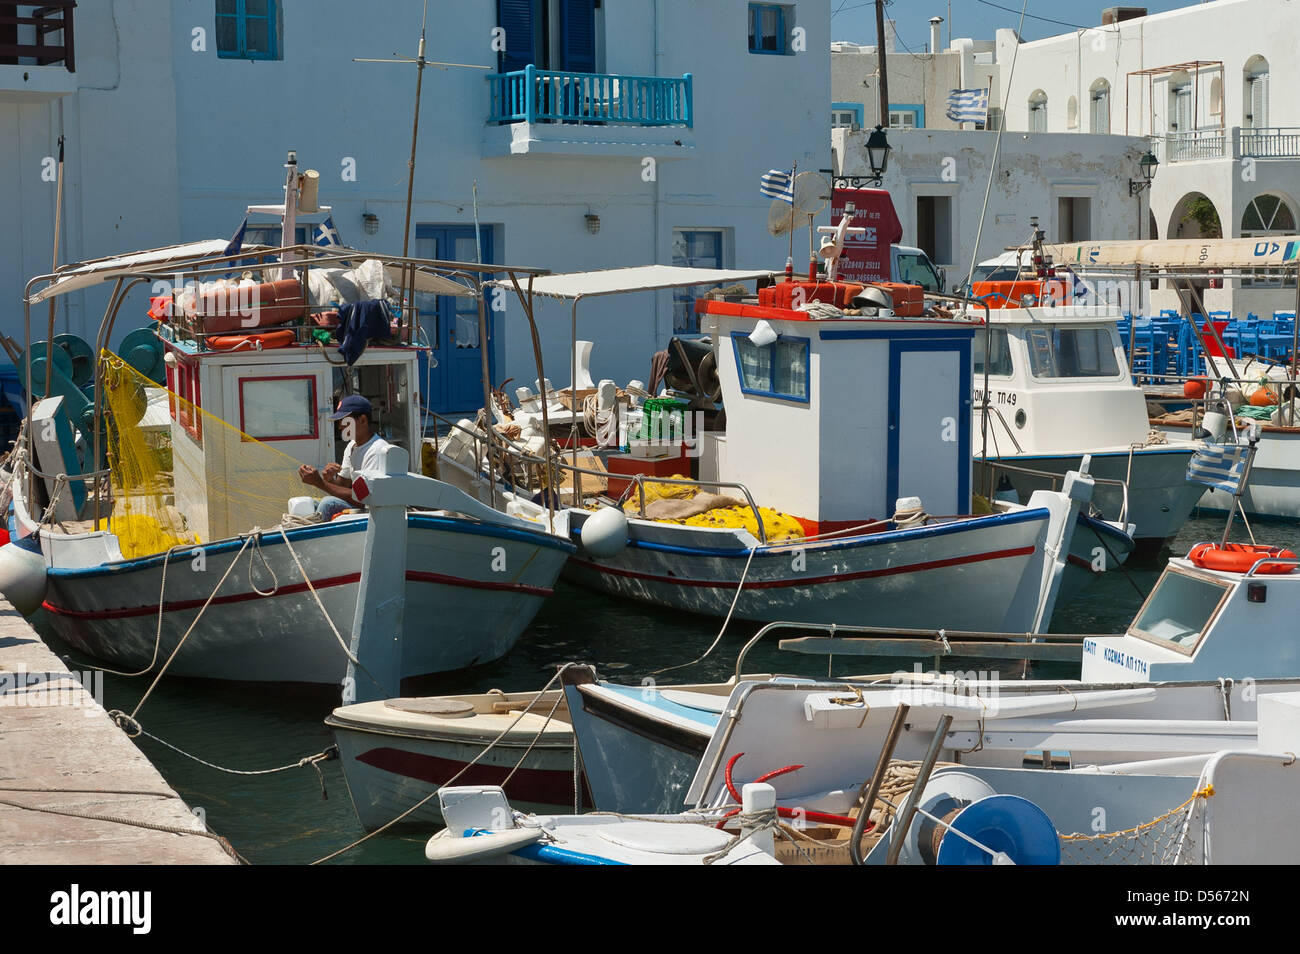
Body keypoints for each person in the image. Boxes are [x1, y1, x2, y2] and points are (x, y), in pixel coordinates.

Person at [298, 395, 392, 520]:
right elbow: (342, 485)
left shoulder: (377, 450)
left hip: (374, 513)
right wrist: (329, 479)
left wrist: (320, 483)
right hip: (362, 505)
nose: (340, 427)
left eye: (345, 422)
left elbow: (364, 499)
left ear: (363, 420)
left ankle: (321, 539)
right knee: (302, 504)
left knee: (328, 504)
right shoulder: (352, 445)